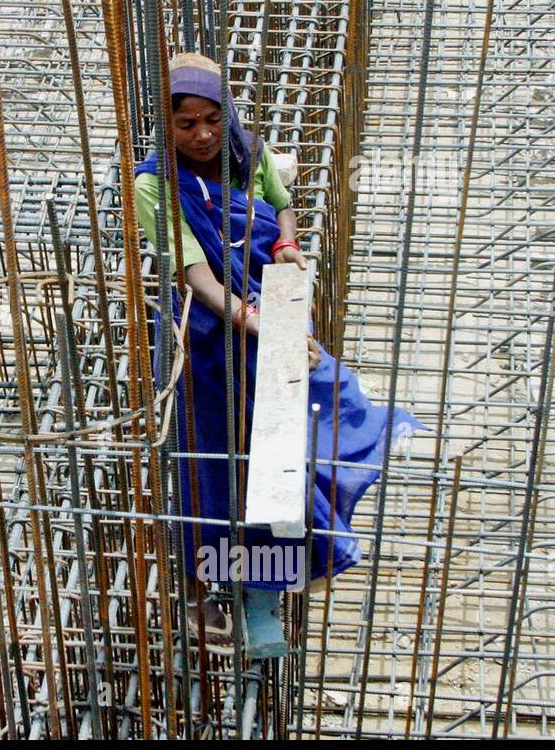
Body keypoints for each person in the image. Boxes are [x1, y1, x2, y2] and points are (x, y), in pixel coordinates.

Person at [133, 52, 422, 650]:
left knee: (283, 453)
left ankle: (262, 595)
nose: (203, 134)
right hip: (206, 336)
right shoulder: (152, 184)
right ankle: (202, 599)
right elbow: (197, 276)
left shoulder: (246, 149)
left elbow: (279, 197)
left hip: (264, 301)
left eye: (212, 118)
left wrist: (287, 243)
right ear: (166, 123)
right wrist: (263, 325)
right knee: (212, 464)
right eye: (185, 123)